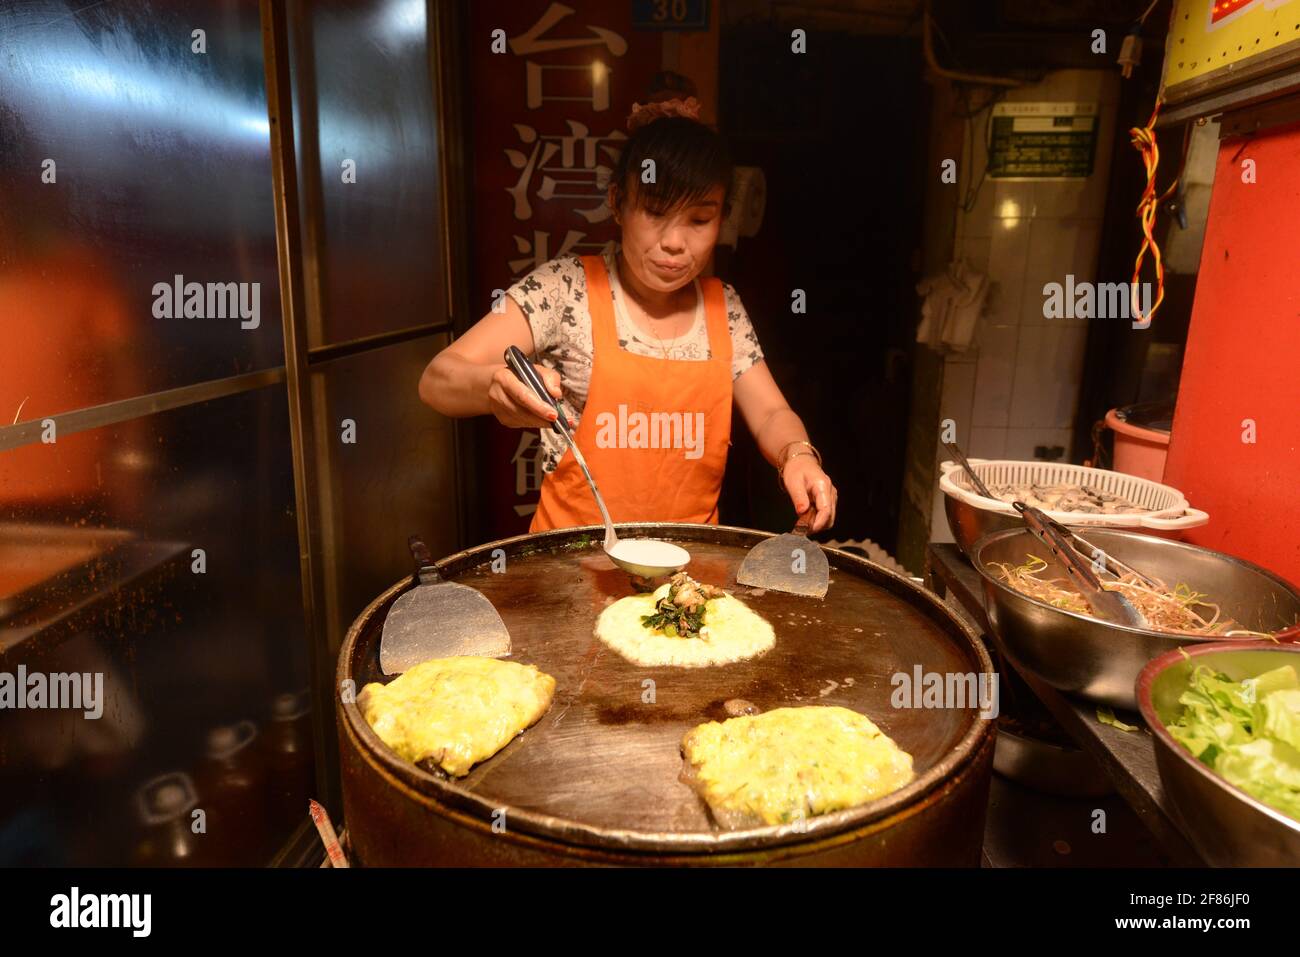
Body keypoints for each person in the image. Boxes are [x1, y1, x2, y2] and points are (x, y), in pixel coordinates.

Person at [420, 80, 836, 533]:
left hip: (688, 579)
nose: (675, 243)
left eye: (700, 220)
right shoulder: (564, 290)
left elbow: (772, 413)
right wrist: (493, 386)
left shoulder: (725, 308)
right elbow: (438, 378)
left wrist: (798, 454)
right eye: (655, 212)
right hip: (570, 573)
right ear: (618, 203)